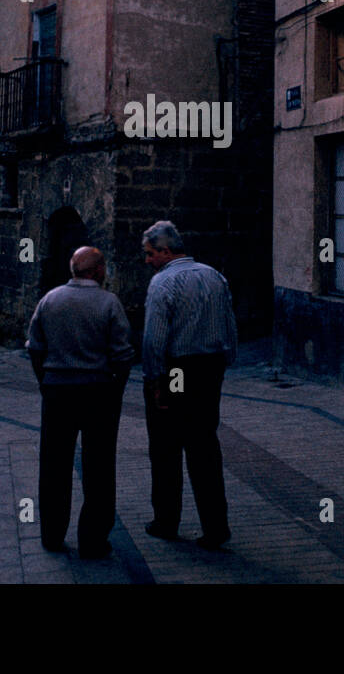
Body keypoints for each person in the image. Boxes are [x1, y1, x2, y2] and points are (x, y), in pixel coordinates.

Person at [26, 246, 133, 558]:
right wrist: (116, 390)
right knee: (99, 468)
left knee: (54, 465)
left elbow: (35, 347)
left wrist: (44, 381)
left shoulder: (50, 300)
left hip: (58, 392)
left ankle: (52, 535)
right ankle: (93, 539)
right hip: (98, 392)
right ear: (98, 270)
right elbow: (123, 355)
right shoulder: (109, 303)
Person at [140, 220, 237, 549]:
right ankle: (216, 526)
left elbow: (154, 339)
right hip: (209, 369)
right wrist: (226, 361)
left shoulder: (162, 283)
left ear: (166, 251)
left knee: (166, 448)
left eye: (150, 253)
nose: (147, 260)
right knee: (204, 448)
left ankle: (166, 521)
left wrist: (156, 382)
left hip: (177, 370)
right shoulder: (213, 276)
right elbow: (229, 322)